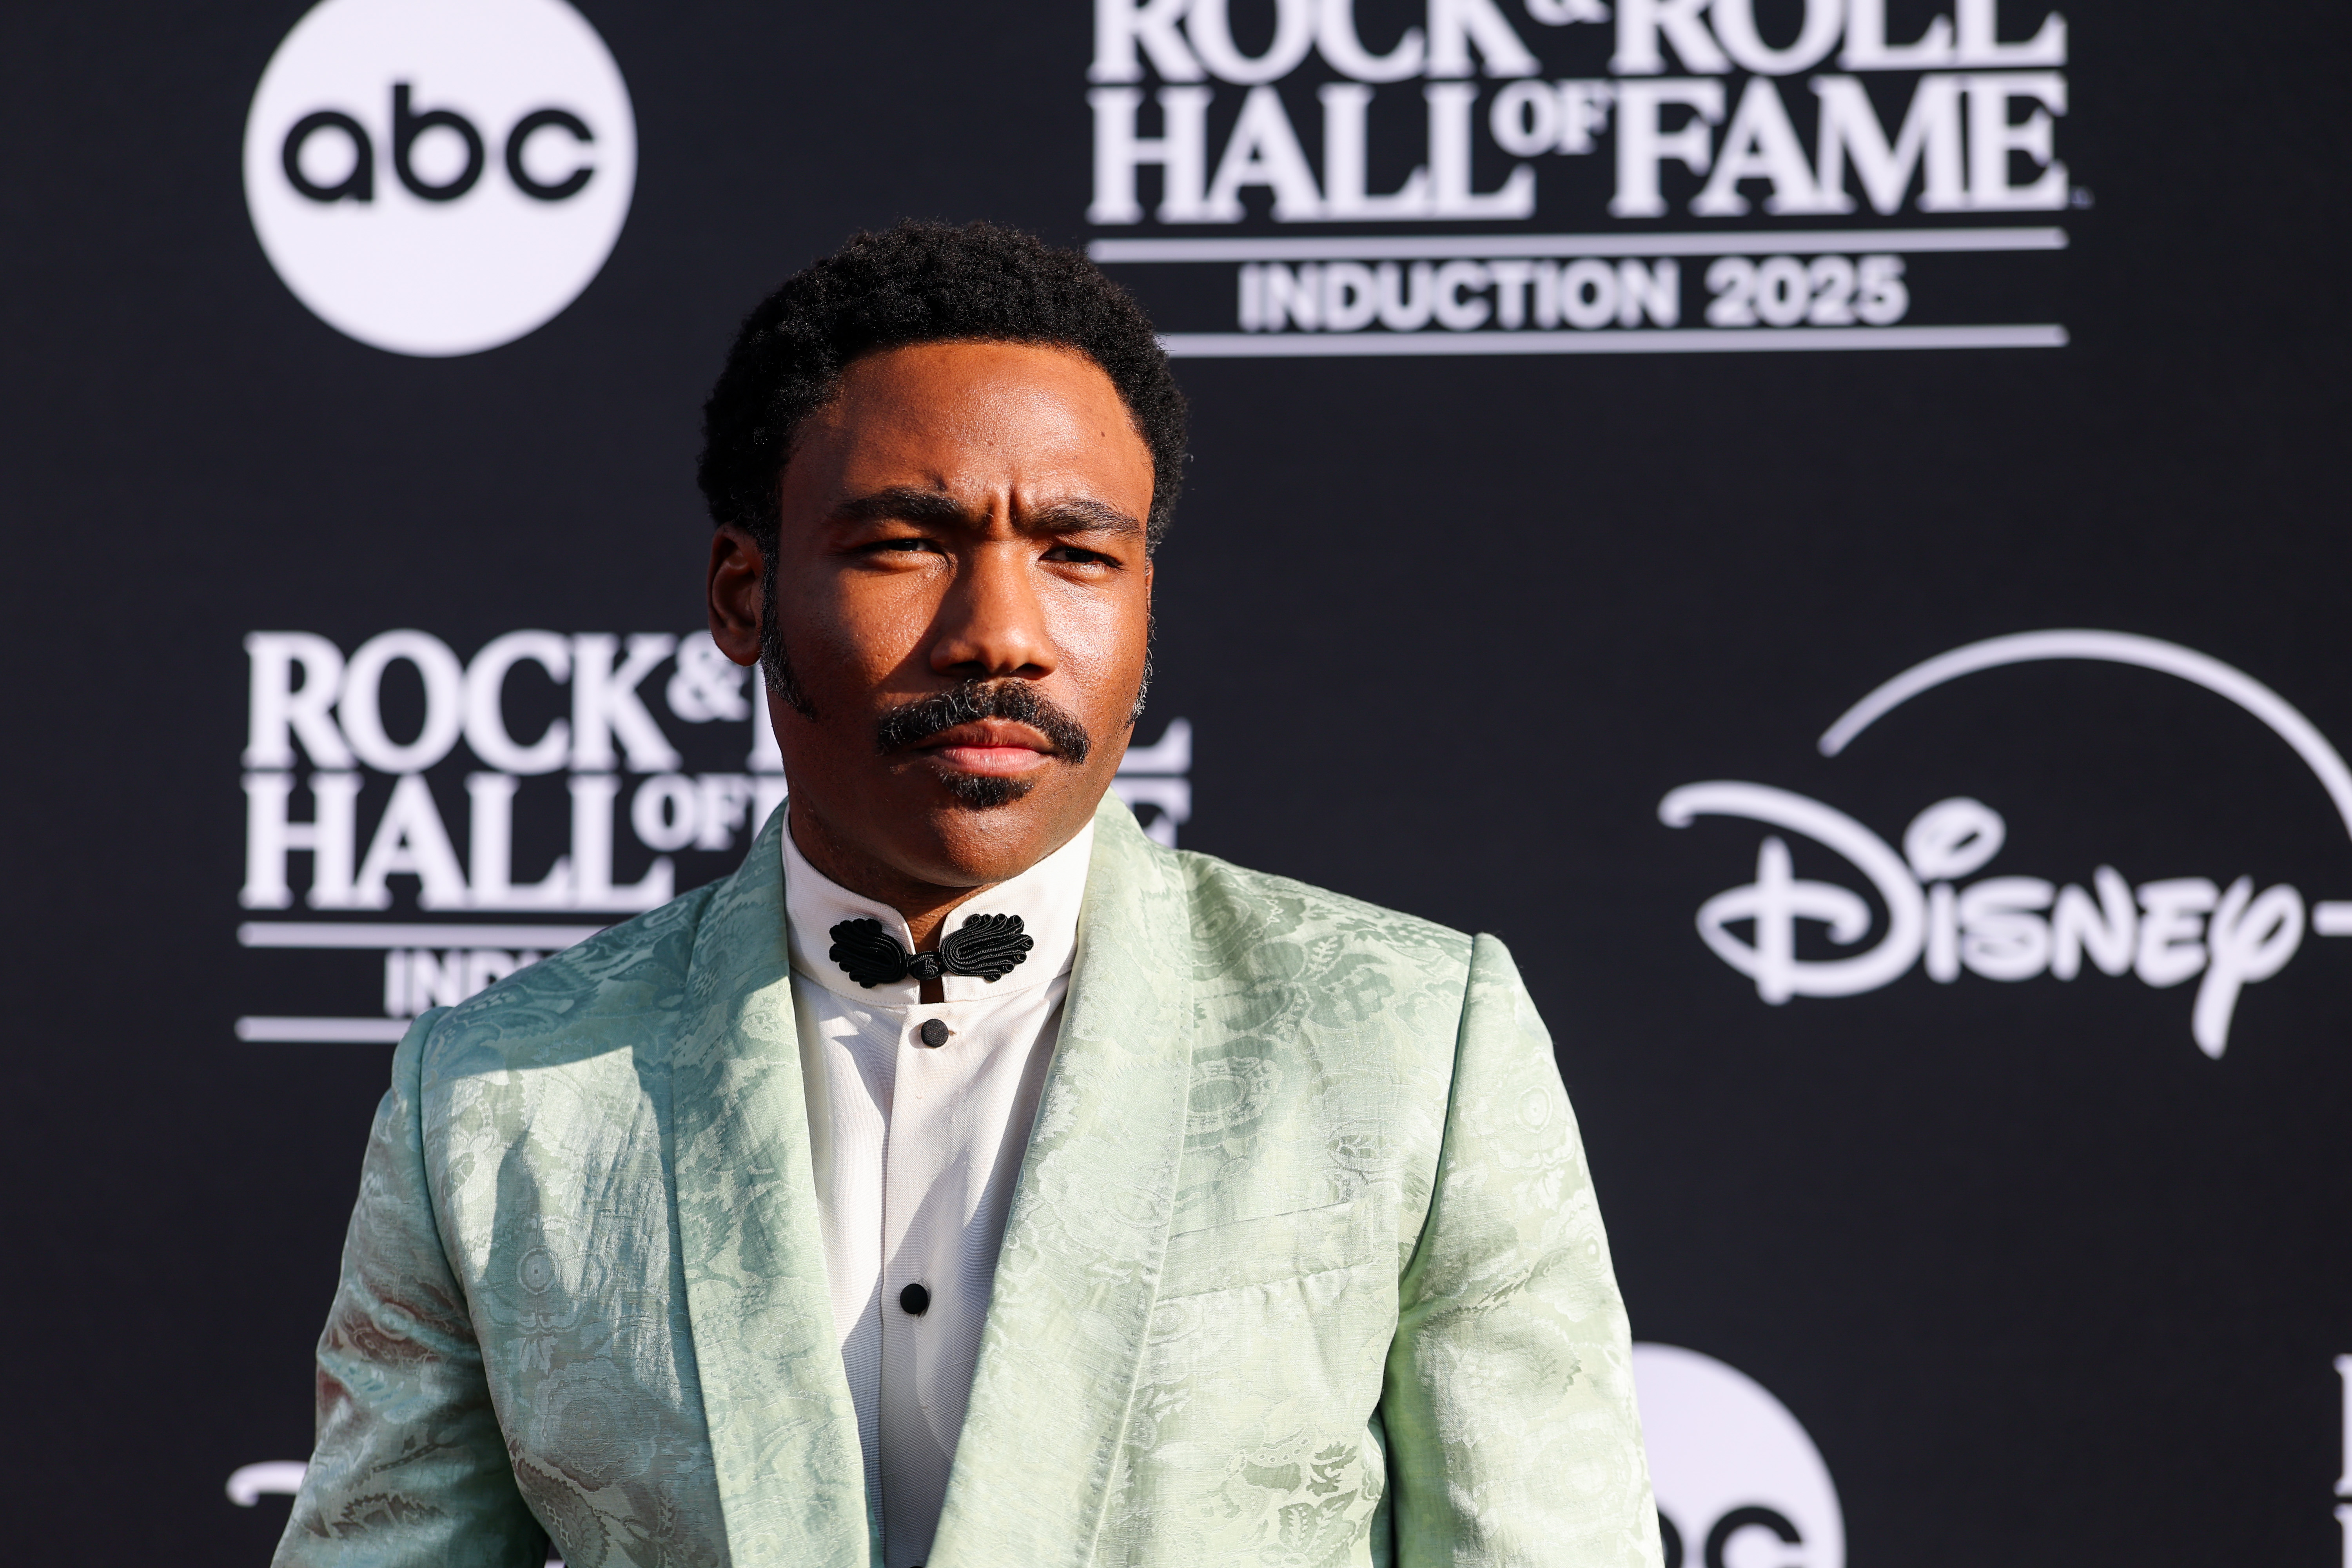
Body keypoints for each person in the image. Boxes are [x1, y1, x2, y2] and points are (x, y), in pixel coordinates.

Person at [276, 221, 1662, 1568]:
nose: (1001, 632)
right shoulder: (497, 1099)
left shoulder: (1412, 1045)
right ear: (744, 594)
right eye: (907, 544)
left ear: (1146, 597)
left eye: (1078, 554)